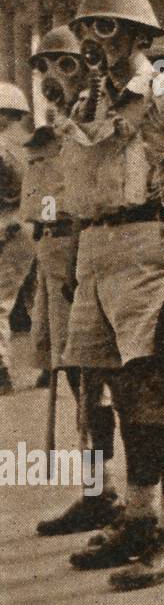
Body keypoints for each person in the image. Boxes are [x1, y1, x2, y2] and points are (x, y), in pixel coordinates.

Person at [60, 0, 164, 590]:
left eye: (105, 28)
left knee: (157, 391)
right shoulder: (84, 104)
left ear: (137, 36)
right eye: (86, 29)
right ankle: (138, 517)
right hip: (94, 251)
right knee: (119, 391)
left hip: (149, 248)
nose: (91, 41)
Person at [25, 26, 123, 535]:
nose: (50, 77)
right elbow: (39, 205)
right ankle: (97, 489)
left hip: (87, 256)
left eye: (63, 64)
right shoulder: (48, 135)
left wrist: (77, 262)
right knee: (71, 377)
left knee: (102, 382)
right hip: (52, 259)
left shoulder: (97, 120)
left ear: (86, 65)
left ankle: (118, 495)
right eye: (43, 67)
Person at [0, 81, 35, 397]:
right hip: (38, 227)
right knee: (40, 300)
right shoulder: (31, 144)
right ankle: (55, 366)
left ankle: (1, 371)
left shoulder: (2, 147)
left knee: (0, 301)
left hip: (8, 229)